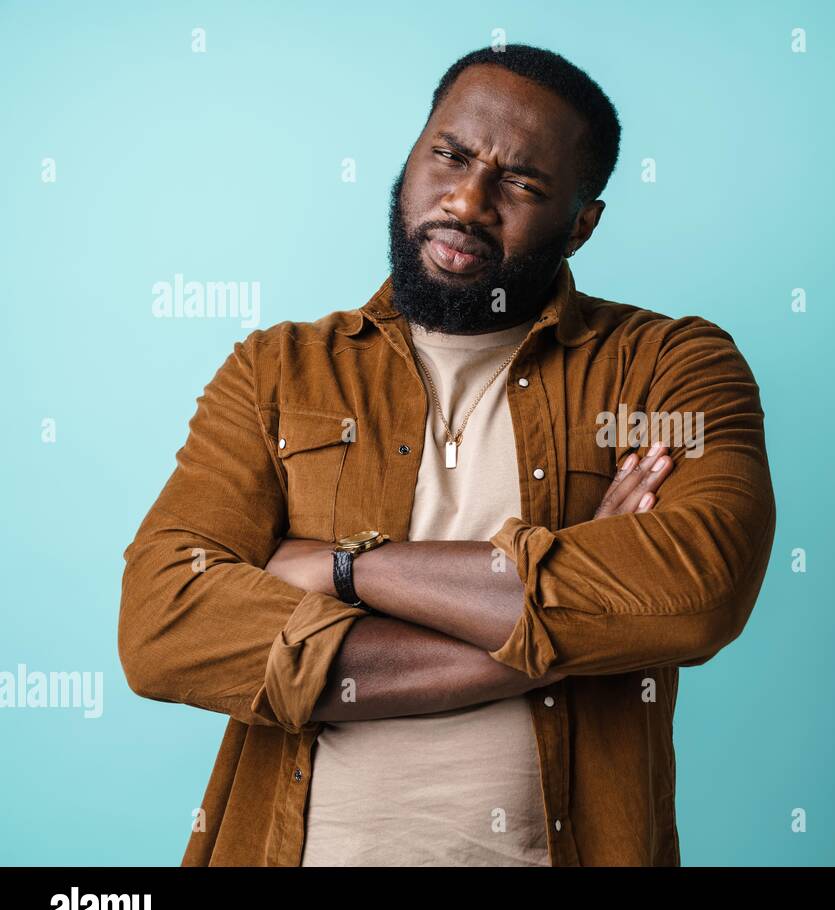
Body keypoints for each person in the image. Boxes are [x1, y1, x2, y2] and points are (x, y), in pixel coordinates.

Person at [118, 43, 776, 867]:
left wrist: (345, 568)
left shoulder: (666, 367)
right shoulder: (276, 372)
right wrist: (559, 631)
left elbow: (693, 588)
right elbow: (164, 622)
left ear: (582, 224)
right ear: (409, 159)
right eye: (450, 155)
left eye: (522, 183)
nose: (467, 200)